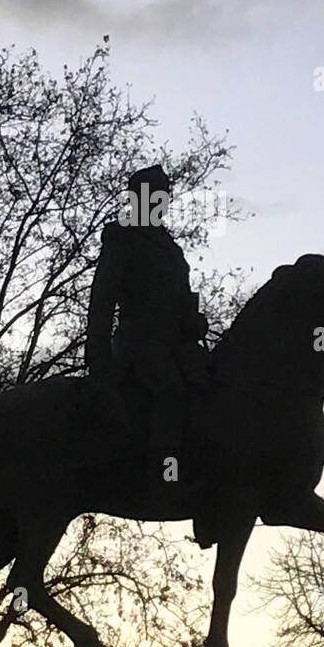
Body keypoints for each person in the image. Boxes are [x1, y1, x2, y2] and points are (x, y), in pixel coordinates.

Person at [86, 165, 209, 486]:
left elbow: (178, 298)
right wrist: (98, 358)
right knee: (170, 390)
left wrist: (193, 321)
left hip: (177, 344)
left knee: (217, 384)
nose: (165, 200)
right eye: (159, 193)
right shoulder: (123, 237)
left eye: (166, 194)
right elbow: (103, 298)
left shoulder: (169, 246)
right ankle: (163, 474)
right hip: (140, 344)